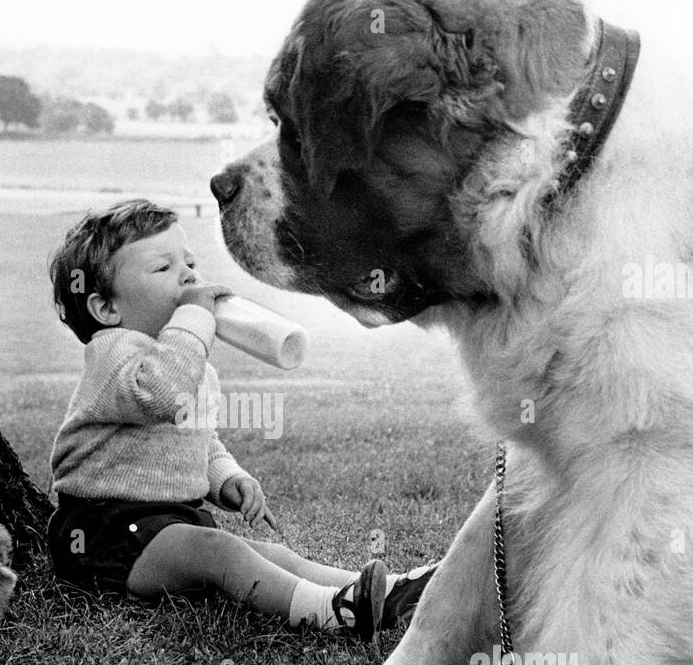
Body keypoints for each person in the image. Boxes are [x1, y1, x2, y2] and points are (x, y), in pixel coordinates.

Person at [46, 199, 435, 640]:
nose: (189, 277)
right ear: (107, 309)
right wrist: (194, 316)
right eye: (163, 268)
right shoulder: (114, 352)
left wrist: (227, 477)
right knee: (220, 551)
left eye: (189, 263)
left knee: (267, 553)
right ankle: (327, 612)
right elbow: (159, 393)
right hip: (104, 534)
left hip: (170, 523)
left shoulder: (189, 365)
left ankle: (382, 592)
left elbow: (199, 439)